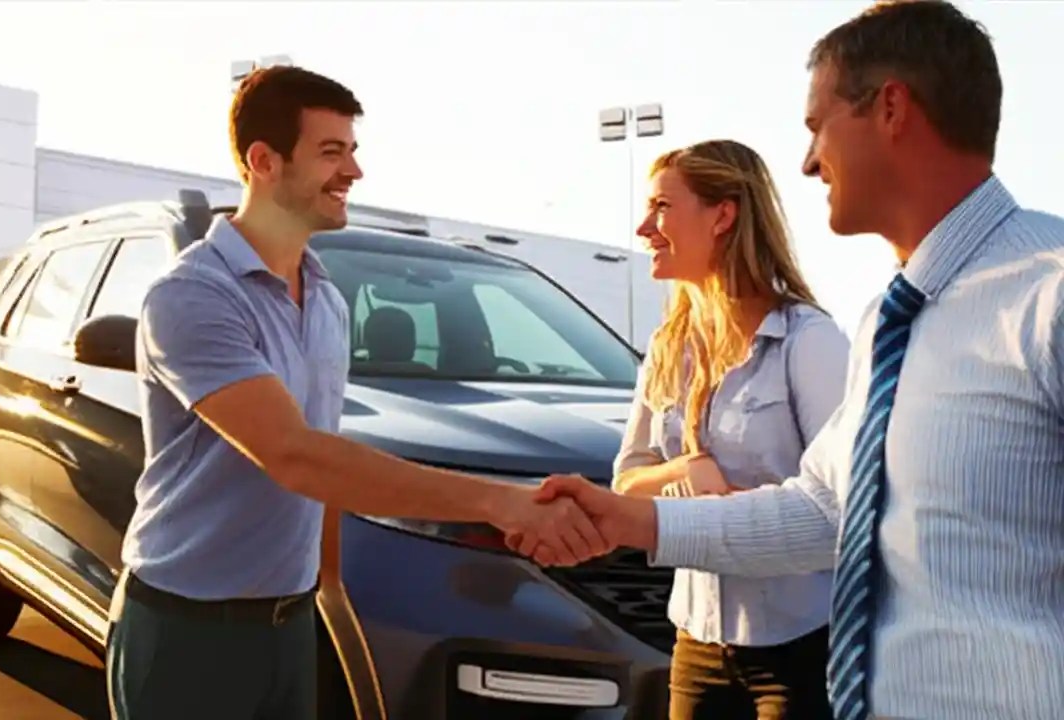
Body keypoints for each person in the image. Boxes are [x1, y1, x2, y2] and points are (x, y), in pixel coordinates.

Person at [527, 2, 1064, 719]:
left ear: (892, 109)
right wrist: (633, 521)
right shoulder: (889, 320)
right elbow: (824, 508)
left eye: (817, 126)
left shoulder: (1050, 292)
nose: (809, 162)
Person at [105, 65, 612, 720]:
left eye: (352, 150)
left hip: (287, 630)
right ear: (263, 161)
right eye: (331, 152)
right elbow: (295, 456)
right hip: (188, 633)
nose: (354, 171)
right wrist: (501, 503)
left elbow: (325, 456)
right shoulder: (194, 296)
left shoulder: (327, 300)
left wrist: (325, 598)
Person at [613, 139, 848, 719]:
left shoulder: (810, 342)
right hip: (696, 646)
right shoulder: (669, 349)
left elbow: (847, 508)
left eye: (662, 206)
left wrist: (726, 505)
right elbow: (626, 484)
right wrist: (685, 473)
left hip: (803, 651)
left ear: (724, 214)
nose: (645, 227)